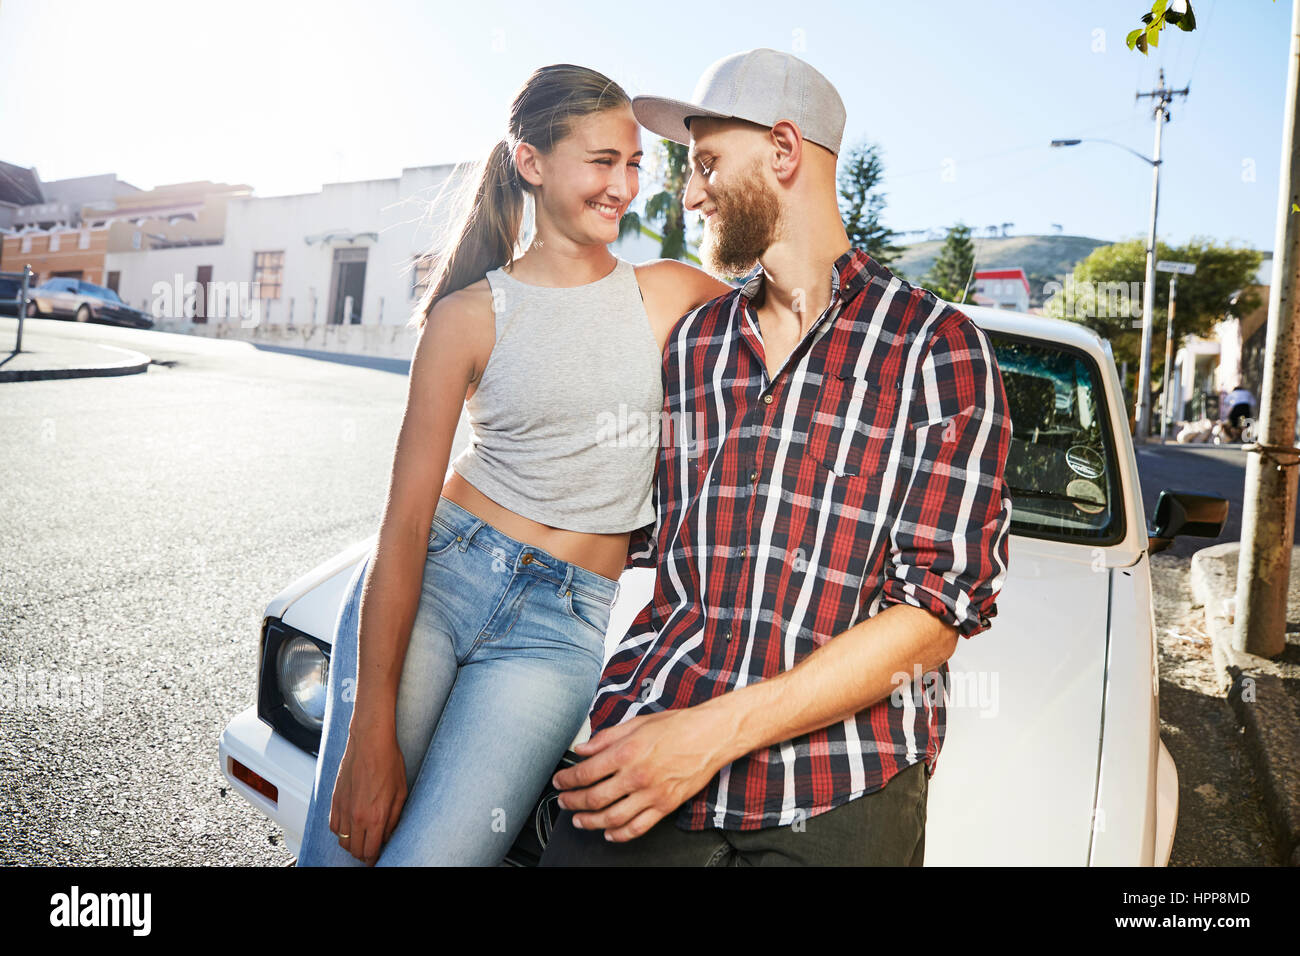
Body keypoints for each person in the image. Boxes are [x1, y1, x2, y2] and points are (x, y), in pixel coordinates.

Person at [540, 48, 1014, 866]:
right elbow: (606, 525)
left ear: (785, 152)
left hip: (842, 780)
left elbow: (932, 617)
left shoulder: (937, 349)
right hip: (645, 743)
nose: (689, 193)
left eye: (708, 163)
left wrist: (712, 736)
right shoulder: (692, 343)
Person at [296, 63, 731, 866]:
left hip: (560, 625)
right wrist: (367, 734)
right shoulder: (468, 315)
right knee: (340, 856)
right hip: (440, 576)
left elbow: (802, 317)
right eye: (603, 160)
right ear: (531, 161)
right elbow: (404, 525)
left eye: (634, 164)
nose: (624, 185)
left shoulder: (672, 294)